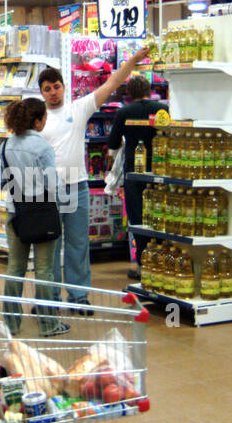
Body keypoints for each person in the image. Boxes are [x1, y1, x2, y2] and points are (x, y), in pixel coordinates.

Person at [37, 45, 150, 311]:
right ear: (41, 93)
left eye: (56, 86)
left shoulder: (79, 108)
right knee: (49, 249)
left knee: (78, 245)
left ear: (64, 87)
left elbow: (113, 82)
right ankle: (49, 300)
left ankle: (79, 298)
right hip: (47, 192)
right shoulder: (36, 117)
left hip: (77, 188)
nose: (53, 93)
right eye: (47, 89)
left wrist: (133, 59)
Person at [0, 98, 68, 337]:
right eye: (44, 117)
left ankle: (11, 324)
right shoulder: (43, 147)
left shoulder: (6, 146)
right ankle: (48, 324)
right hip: (43, 213)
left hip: (16, 213)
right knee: (44, 270)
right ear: (37, 121)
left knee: (15, 268)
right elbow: (52, 185)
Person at [107, 75, 169, 277]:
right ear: (149, 90)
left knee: (138, 217)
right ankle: (161, 261)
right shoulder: (163, 111)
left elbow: (113, 143)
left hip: (134, 172)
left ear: (129, 94)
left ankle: (144, 264)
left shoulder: (124, 112)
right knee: (160, 216)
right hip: (161, 170)